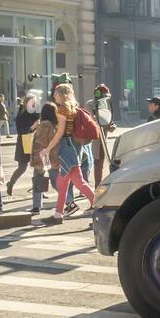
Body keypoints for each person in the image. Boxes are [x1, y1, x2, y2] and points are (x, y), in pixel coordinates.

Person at [43, 86, 95, 223]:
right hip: (75, 146)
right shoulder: (73, 107)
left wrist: (47, 148)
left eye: (55, 93)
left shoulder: (62, 110)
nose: (53, 96)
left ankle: (98, 205)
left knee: (77, 182)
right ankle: (58, 214)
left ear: (62, 94)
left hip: (67, 147)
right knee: (64, 182)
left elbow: (60, 133)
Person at [6, 93, 40, 196]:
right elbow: (21, 131)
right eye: (32, 102)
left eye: (35, 102)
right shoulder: (22, 114)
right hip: (24, 142)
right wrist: (32, 127)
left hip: (37, 142)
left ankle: (39, 192)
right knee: (22, 167)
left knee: (39, 168)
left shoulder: (37, 113)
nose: (34, 104)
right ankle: (11, 184)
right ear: (26, 103)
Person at [30, 101, 58, 216]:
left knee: (38, 179)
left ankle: (36, 206)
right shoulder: (55, 124)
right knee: (55, 180)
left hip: (43, 156)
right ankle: (67, 200)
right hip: (51, 156)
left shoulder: (44, 124)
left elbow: (39, 143)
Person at [86, 84, 116, 188]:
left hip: (103, 138)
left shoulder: (106, 105)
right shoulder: (90, 105)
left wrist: (111, 125)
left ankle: (101, 186)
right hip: (93, 139)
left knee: (102, 163)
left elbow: (108, 121)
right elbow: (90, 120)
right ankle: (96, 187)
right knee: (95, 163)